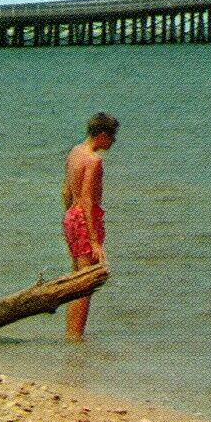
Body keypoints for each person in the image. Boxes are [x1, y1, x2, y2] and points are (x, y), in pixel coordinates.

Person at [62, 112, 117, 341]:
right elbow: (86, 198)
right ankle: (75, 337)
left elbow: (66, 190)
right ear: (102, 135)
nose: (113, 142)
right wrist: (94, 240)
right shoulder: (94, 161)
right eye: (112, 137)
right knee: (85, 284)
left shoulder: (75, 152)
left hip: (71, 217)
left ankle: (71, 336)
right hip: (85, 220)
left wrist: (69, 218)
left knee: (77, 280)